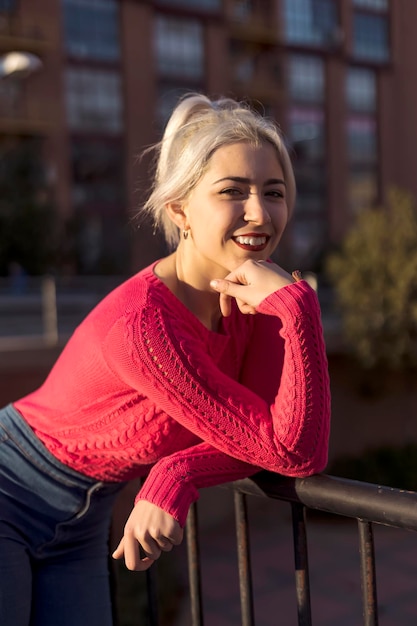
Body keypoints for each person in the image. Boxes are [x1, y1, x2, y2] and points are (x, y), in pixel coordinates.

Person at [0, 93, 331, 626]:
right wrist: (298, 305)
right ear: (180, 210)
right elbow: (285, 449)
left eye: (275, 192)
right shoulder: (146, 326)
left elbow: (289, 443)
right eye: (233, 192)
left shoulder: (260, 297)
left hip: (84, 523)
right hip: (10, 489)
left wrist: (178, 472)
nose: (260, 212)